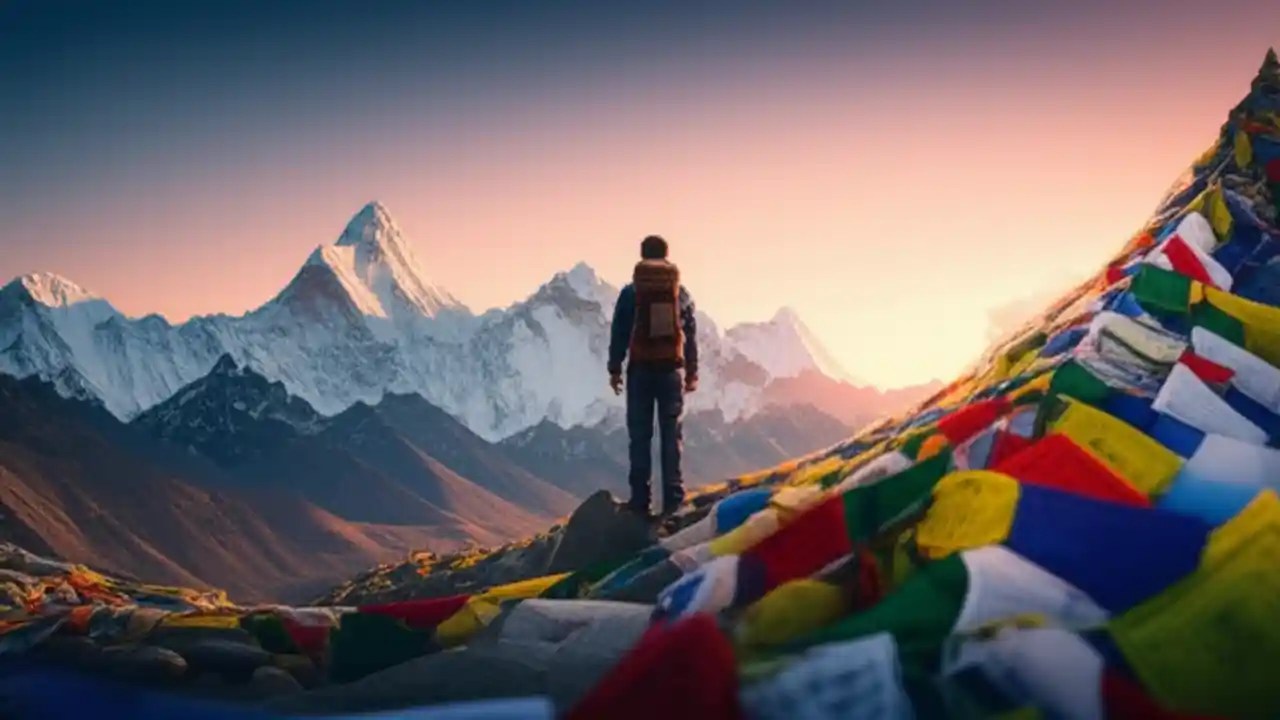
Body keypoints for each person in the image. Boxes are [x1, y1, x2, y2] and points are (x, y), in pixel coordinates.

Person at [608, 235, 699, 519]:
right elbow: (690, 334)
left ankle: (640, 501)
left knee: (640, 436)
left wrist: (614, 368)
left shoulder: (630, 292)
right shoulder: (680, 293)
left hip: (640, 372)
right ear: (667, 255)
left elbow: (620, 332)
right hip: (671, 371)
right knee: (671, 436)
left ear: (641, 255)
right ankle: (673, 500)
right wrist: (692, 372)